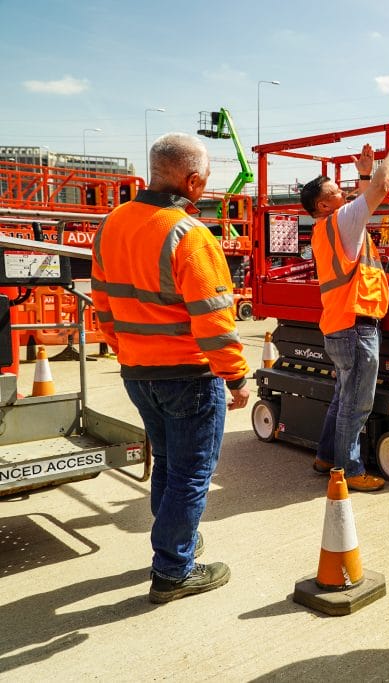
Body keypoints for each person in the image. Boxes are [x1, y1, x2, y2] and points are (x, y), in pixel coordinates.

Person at [91, 132, 250, 603]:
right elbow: (215, 320)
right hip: (188, 376)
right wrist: (237, 377)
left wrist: (127, 350)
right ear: (194, 180)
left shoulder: (112, 223)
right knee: (192, 472)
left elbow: (103, 305)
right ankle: (174, 569)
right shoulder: (189, 234)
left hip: (138, 372)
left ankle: (175, 543)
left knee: (169, 463)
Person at [301, 135, 389, 492]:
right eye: (338, 190)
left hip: (340, 324)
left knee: (342, 396)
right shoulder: (340, 220)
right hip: (356, 324)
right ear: (324, 204)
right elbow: (382, 189)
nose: (346, 192)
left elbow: (367, 199)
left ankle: (325, 456)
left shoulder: (329, 227)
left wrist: (364, 174)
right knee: (356, 404)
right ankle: (349, 470)